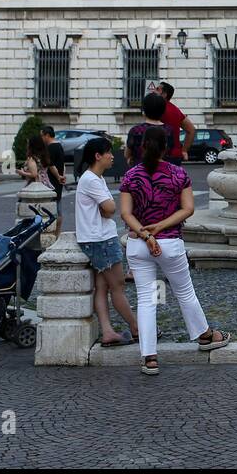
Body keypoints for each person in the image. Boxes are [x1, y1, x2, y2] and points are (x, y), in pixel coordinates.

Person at [120, 126, 230, 375]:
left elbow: (125, 213)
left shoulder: (130, 176)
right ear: (168, 148)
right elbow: (188, 209)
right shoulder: (178, 174)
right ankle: (205, 335)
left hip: (138, 243)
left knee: (146, 300)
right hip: (169, 242)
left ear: (143, 146)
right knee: (184, 291)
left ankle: (149, 357)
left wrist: (147, 234)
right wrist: (160, 226)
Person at [75, 138, 139, 348]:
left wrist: (106, 208)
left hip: (95, 238)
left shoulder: (94, 178)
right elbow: (110, 208)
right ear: (98, 156)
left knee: (102, 287)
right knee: (118, 286)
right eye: (109, 153)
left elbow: (107, 207)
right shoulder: (92, 180)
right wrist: (106, 208)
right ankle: (137, 328)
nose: (113, 156)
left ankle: (108, 332)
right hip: (101, 239)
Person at [156, 82, 196, 167]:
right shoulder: (176, 110)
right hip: (175, 156)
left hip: (159, 155)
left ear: (164, 94)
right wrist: (184, 151)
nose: (153, 91)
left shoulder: (157, 108)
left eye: (157, 89)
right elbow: (191, 129)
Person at [126, 92, 170, 167]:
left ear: (144, 111)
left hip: (139, 171)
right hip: (163, 172)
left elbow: (127, 153)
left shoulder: (135, 130)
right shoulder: (169, 130)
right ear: (163, 111)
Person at [40, 127, 67, 201]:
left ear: (47, 135)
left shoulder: (50, 148)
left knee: (52, 202)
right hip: (60, 178)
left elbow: (51, 165)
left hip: (52, 179)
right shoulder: (59, 145)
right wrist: (62, 176)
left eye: (42, 135)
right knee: (58, 200)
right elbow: (63, 163)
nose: (41, 138)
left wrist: (58, 177)